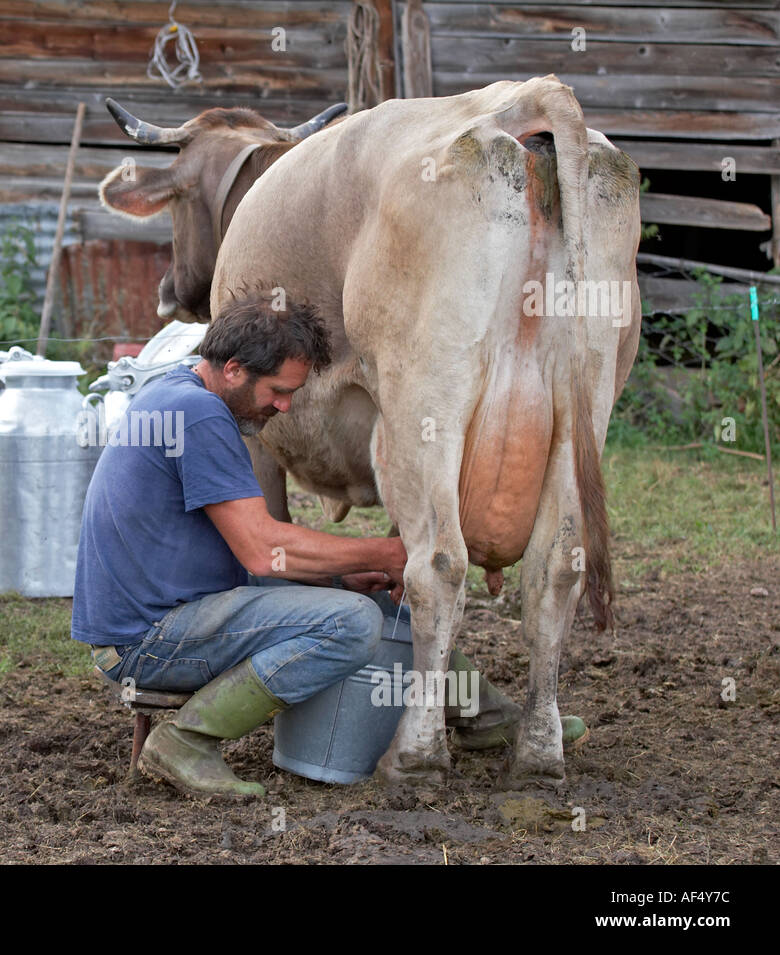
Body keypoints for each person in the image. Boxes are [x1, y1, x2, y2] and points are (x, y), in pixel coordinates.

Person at [72, 294, 585, 799]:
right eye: (278, 390)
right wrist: (385, 554)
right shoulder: (198, 415)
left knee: (367, 599)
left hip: (171, 613)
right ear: (232, 369)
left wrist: (341, 575)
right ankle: (187, 740)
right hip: (149, 642)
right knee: (351, 622)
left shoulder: (178, 396)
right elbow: (260, 547)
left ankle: (484, 717)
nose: (284, 405)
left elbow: (250, 549)